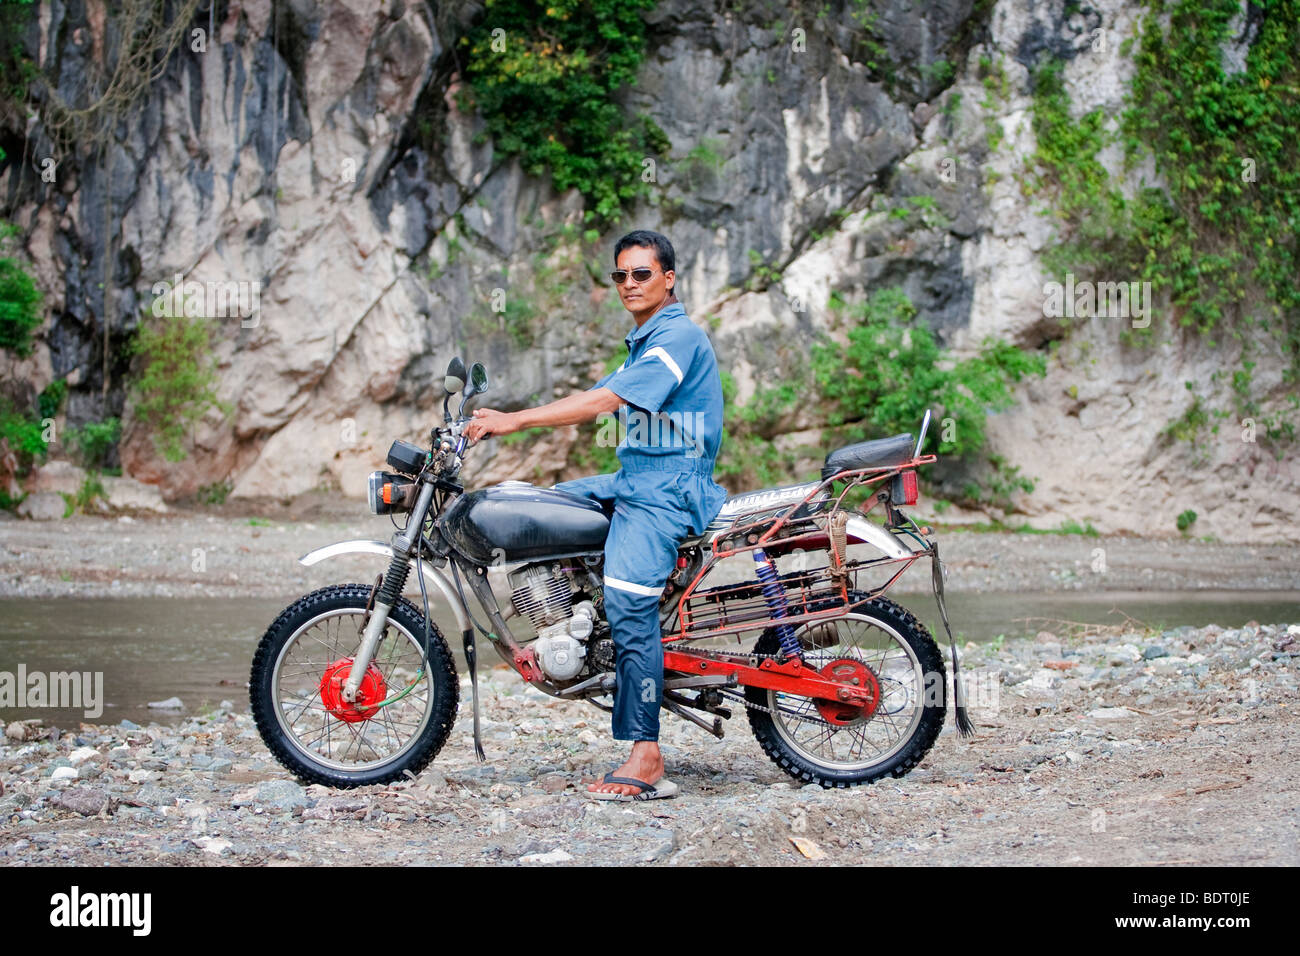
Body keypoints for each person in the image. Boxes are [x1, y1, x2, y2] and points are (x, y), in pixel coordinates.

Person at [463, 229, 728, 800]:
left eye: (641, 274)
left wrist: (515, 420)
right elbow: (599, 391)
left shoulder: (676, 338)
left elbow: (603, 403)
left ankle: (647, 755)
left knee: (630, 601)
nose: (629, 284)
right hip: (635, 478)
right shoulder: (645, 339)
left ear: (668, 279)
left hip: (668, 490)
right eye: (620, 275)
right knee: (541, 508)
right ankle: (569, 625)